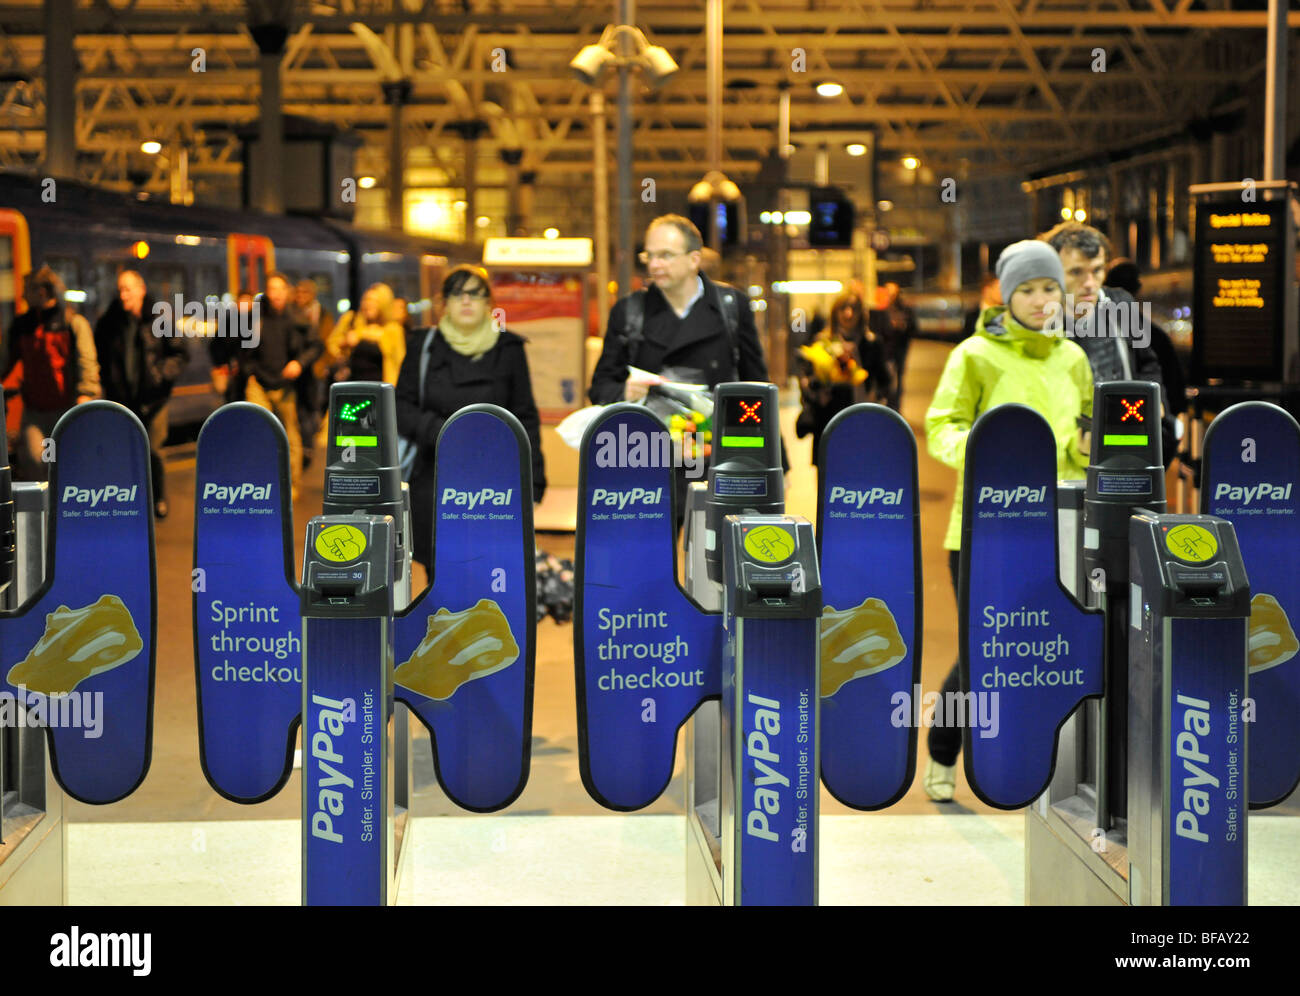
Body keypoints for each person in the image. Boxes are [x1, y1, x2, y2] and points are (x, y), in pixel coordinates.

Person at [922, 240, 1094, 801]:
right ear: (1006, 297)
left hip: (1059, 528)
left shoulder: (1074, 359)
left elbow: (1085, 437)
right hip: (984, 532)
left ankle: (1044, 766)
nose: (1041, 300)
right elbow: (941, 427)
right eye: (1027, 290)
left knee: (1047, 646)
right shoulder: (974, 355)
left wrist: (1088, 448)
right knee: (986, 646)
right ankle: (943, 749)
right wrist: (989, 453)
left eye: (1049, 289)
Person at [589, 214, 775, 525]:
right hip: (647, 458)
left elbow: (757, 386)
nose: (654, 265)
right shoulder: (630, 312)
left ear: (694, 260)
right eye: (649, 255)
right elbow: (600, 386)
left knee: (712, 544)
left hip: (715, 460)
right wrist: (624, 391)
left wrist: (775, 461)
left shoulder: (732, 308)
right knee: (651, 546)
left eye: (665, 255)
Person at [395, 265, 546, 572]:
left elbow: (525, 416)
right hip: (434, 476)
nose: (466, 301)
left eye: (475, 294)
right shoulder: (423, 346)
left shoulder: (509, 349)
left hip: (494, 480)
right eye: (457, 293)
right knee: (439, 568)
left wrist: (533, 480)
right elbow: (401, 406)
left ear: (489, 302)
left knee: (488, 567)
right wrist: (441, 432)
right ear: (444, 303)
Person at [1040, 221, 1177, 466]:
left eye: (1097, 270)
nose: (1090, 283)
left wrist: (1155, 402)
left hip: (1126, 438)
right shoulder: (1041, 318)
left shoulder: (1120, 303)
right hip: (1064, 449)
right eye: (1076, 272)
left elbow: (1147, 363)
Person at [93, 269, 188, 518]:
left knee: (153, 449)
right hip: (122, 400)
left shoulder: (159, 318)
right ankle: (133, 500)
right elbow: (99, 355)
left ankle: (158, 497)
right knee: (125, 452)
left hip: (154, 399)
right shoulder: (109, 322)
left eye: (128, 289)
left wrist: (160, 375)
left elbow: (180, 353)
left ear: (141, 290)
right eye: (120, 290)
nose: (123, 295)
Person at [1, 266, 100, 481]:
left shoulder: (73, 323)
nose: (22, 296)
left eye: (27, 290)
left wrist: (86, 394)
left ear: (41, 292)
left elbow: (87, 362)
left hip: (67, 410)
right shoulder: (22, 326)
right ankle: (42, 501)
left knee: (69, 464)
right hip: (35, 412)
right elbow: (3, 360)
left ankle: (63, 500)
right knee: (34, 460)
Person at [243, 272, 321, 502]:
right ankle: (260, 485)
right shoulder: (255, 316)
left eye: (280, 289)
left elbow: (316, 346)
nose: (276, 294)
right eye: (271, 289)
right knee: (258, 432)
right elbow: (241, 347)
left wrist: (299, 363)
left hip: (287, 385)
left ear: (287, 292)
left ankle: (292, 485)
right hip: (259, 382)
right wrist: (249, 372)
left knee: (289, 435)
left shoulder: (297, 318)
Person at [795, 291, 891, 466]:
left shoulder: (871, 343)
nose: (848, 314)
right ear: (835, 312)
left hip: (862, 418)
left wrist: (875, 399)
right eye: (843, 308)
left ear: (861, 314)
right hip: (828, 419)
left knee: (861, 470)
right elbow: (807, 379)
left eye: (854, 309)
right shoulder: (822, 342)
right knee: (828, 472)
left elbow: (885, 380)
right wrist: (818, 395)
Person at [1103, 257, 1186, 422]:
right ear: (1138, 289)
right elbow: (1174, 387)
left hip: (1113, 418)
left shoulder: (1089, 330)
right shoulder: (1156, 337)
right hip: (1144, 419)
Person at [325, 282, 405, 387]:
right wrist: (346, 343)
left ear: (384, 304)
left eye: (373, 301)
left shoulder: (393, 330)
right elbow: (332, 345)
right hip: (353, 384)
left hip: (380, 386)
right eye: (366, 299)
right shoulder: (351, 321)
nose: (367, 304)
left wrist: (362, 335)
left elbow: (399, 363)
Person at [291, 279, 333, 465]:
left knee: (313, 408)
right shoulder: (292, 313)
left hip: (317, 371)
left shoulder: (323, 314)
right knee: (300, 410)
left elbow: (327, 341)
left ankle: (308, 446)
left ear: (313, 295)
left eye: (305, 293)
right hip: (298, 369)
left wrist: (323, 364)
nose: (301, 297)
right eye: (298, 293)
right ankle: (305, 446)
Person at [869, 281, 917, 411]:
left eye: (894, 293)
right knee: (885, 379)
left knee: (898, 379)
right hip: (884, 350)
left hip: (899, 349)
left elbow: (914, 327)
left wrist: (903, 327)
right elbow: (874, 328)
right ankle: (884, 406)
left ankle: (895, 408)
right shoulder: (879, 309)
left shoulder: (905, 309)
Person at [962, 273, 1002, 339]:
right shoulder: (971, 317)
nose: (1002, 292)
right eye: (999, 289)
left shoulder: (1008, 314)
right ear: (987, 290)